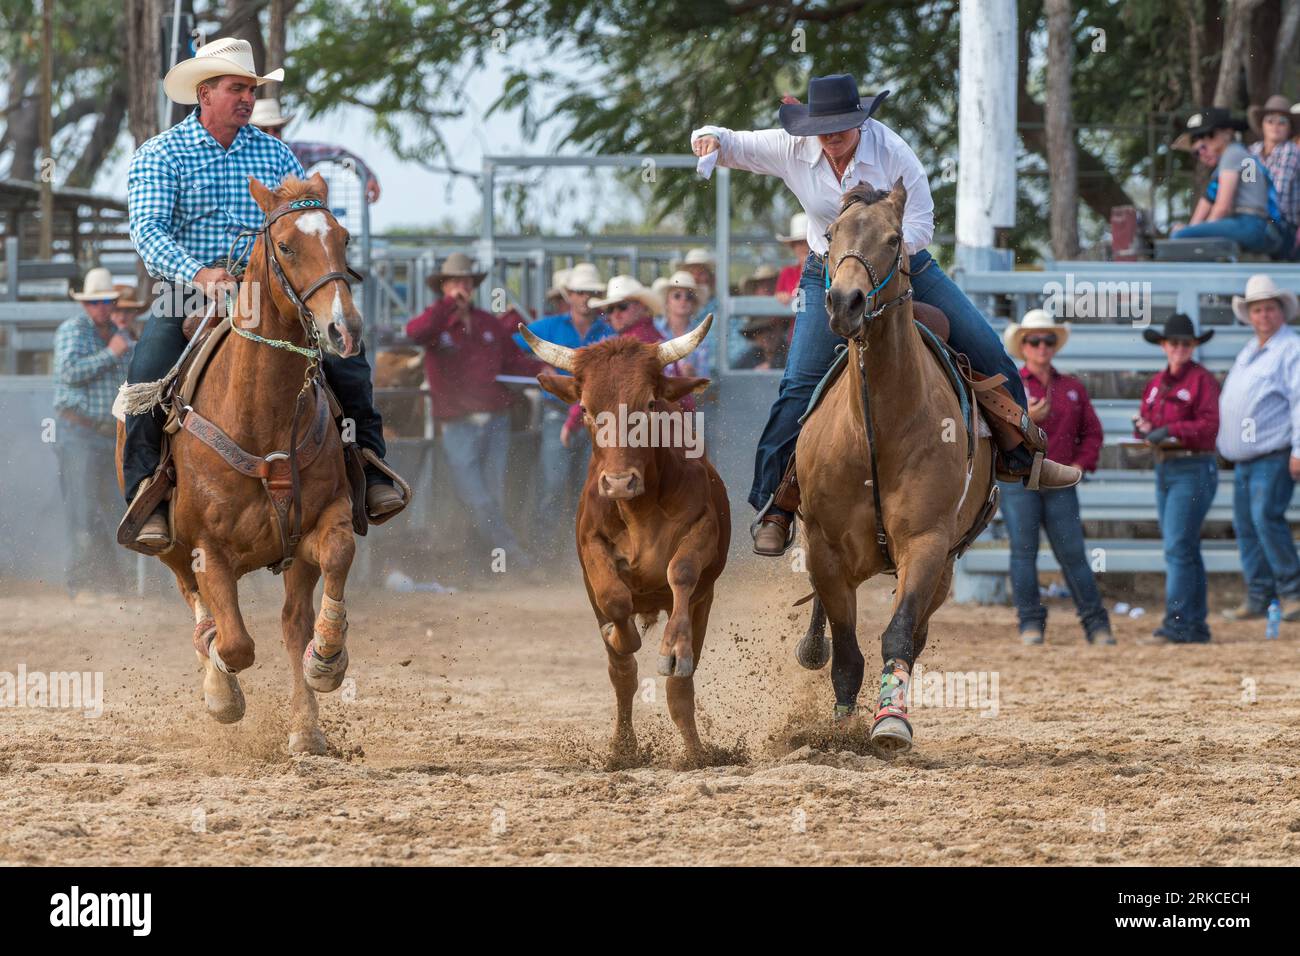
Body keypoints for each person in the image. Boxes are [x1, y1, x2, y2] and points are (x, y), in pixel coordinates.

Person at [690, 72, 1082, 555]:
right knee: (798, 383)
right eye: (824, 127)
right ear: (810, 126)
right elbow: (732, 143)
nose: (831, 136)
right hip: (825, 271)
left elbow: (921, 224)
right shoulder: (793, 147)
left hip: (901, 263)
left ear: (861, 121)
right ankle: (776, 504)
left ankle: (1025, 453)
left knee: (985, 344)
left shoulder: (893, 152)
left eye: (842, 126)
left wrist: (877, 260)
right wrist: (707, 138)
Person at [123, 37, 402, 551]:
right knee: (148, 373)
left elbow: (300, 222)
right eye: (237, 88)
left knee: (346, 357)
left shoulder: (274, 152)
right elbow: (148, 231)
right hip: (190, 291)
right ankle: (148, 492)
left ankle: (367, 463)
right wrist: (201, 274)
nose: (247, 98)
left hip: (270, 296)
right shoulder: (161, 154)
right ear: (205, 94)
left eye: (251, 88)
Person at [406, 253, 541, 569]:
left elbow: (515, 362)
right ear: (443, 287)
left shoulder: (487, 322)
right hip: (458, 423)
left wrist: (547, 372)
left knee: (492, 494)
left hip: (495, 419)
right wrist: (446, 307)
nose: (461, 287)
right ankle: (515, 559)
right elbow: (414, 333)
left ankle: (488, 562)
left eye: (465, 281)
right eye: (454, 282)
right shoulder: (436, 321)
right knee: (476, 496)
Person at [999, 310, 1112, 645]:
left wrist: (1080, 465)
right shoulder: (1010, 387)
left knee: (1072, 554)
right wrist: (1025, 420)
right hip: (1020, 479)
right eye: (1034, 341)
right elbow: (995, 433)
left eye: (1047, 340)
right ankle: (1033, 623)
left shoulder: (1071, 387)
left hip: (1057, 479)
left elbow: (1092, 433)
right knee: (1024, 551)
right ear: (1024, 345)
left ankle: (1095, 625)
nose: (1041, 346)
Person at [511, 262, 614, 553]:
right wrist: (538, 365)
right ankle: (544, 553)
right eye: (580, 292)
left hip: (596, 420)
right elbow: (511, 349)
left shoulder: (607, 332)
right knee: (553, 485)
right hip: (557, 414)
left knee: (590, 488)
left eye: (592, 292)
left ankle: (582, 553)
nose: (585, 298)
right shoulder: (550, 326)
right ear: (568, 294)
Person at [1217, 274, 1300, 622]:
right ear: (1249, 315)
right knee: (1248, 525)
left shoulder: (1291, 348)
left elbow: (1299, 400)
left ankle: (1292, 592)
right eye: (1257, 310)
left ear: (1281, 312)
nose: (1263, 315)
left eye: (1269, 308)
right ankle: (1260, 595)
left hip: (1274, 452)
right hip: (1246, 458)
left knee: (1265, 518)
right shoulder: (1251, 351)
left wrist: (1299, 449)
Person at [1133, 314, 1220, 644]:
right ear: (1164, 346)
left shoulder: (1202, 381)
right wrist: (1143, 430)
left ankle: (1178, 624)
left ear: (1194, 346)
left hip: (1193, 468)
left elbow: (1209, 427)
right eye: (1174, 343)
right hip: (1168, 467)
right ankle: (1194, 625)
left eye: (1186, 344)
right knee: (1185, 548)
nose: (1179, 348)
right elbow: (1146, 419)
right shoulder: (1157, 383)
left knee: (1178, 547)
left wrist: (1170, 430)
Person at [51, 268, 134, 599]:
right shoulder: (73, 331)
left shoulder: (118, 335)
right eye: (96, 301)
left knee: (116, 510)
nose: (102, 307)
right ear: (86, 305)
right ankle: (83, 583)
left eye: (106, 301)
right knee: (83, 510)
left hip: (109, 436)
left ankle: (110, 583)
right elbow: (68, 372)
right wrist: (110, 353)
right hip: (80, 433)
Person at [1169, 108, 1289, 258]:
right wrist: (1196, 229)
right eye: (1199, 139)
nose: (1204, 142)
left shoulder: (1232, 154)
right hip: (1254, 225)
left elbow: (1222, 207)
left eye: (1210, 135)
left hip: (1252, 224)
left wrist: (1200, 233)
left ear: (1227, 133)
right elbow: (1209, 200)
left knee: (1181, 238)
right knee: (1188, 236)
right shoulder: (1233, 157)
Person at [251, 96, 381, 204]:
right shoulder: (240, 156)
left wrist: (367, 175)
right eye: (264, 130)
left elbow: (341, 154)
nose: (272, 134)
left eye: (277, 129)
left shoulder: (297, 152)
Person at [1247, 95, 1300, 243]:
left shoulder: (1290, 151)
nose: (1275, 125)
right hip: (1255, 218)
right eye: (1270, 120)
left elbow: (1278, 195)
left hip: (1282, 225)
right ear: (1262, 124)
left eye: (1282, 122)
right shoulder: (1252, 151)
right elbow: (1246, 187)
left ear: (1289, 128)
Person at [654, 270, 709, 376]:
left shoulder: (702, 336)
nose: (683, 300)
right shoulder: (653, 328)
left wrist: (693, 375)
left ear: (694, 303)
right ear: (667, 301)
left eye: (689, 296)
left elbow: (704, 378)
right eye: (677, 295)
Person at [775, 212, 809, 306]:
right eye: (800, 243)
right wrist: (781, 297)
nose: (806, 247)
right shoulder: (786, 273)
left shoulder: (828, 273)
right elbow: (775, 316)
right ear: (793, 247)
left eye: (809, 242)